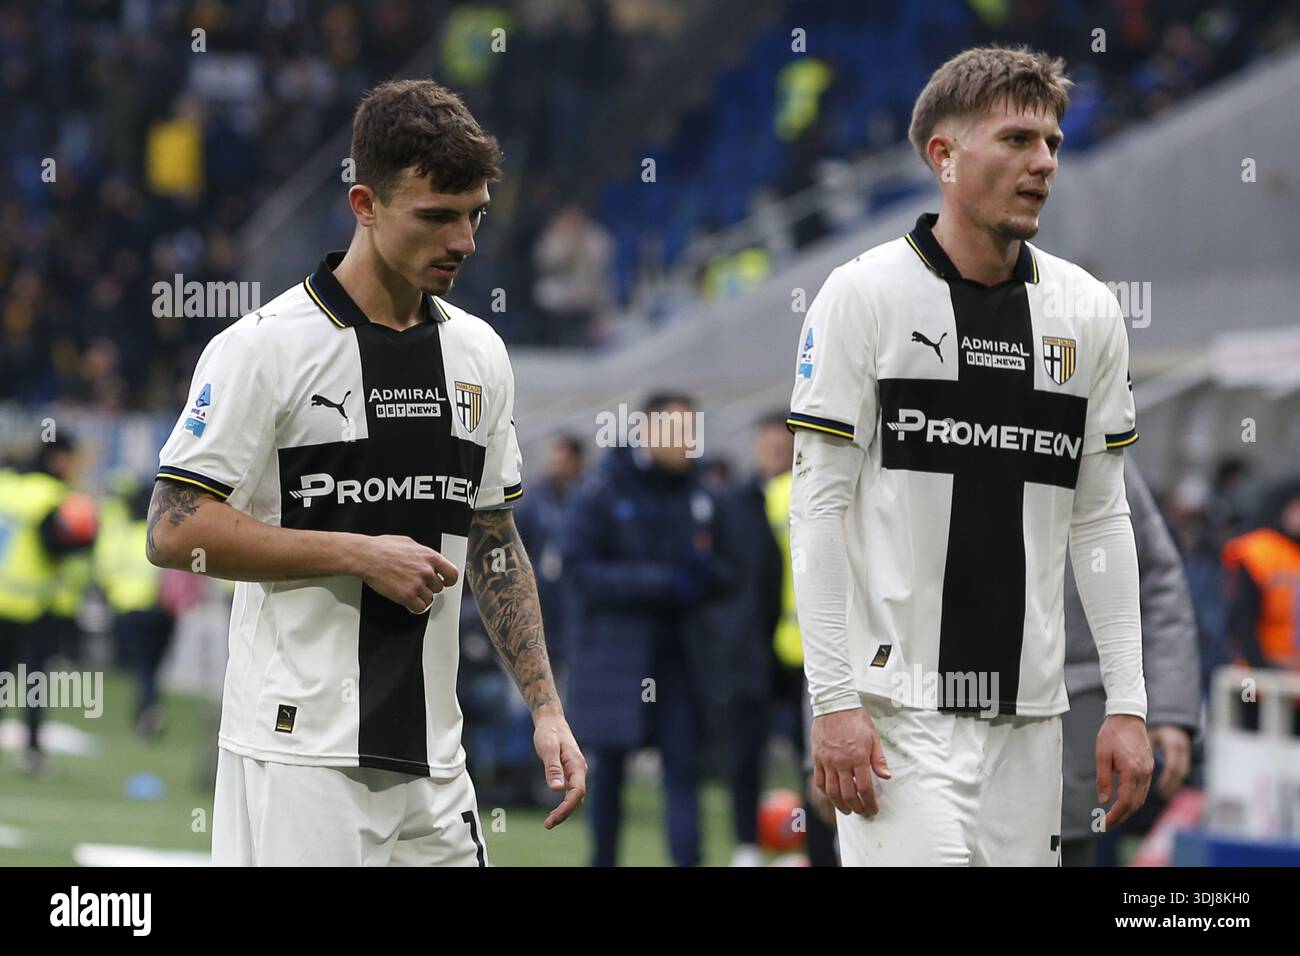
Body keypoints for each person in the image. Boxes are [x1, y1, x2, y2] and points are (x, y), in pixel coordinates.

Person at [146, 78, 585, 866]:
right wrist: (357, 552)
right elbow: (175, 531)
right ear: (364, 204)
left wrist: (546, 707)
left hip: (435, 759)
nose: (464, 241)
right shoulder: (264, 347)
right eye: (437, 216)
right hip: (300, 754)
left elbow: (492, 537)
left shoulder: (479, 353)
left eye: (475, 214)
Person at [787, 45, 1153, 866]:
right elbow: (816, 511)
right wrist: (835, 699)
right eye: (1018, 140)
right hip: (898, 713)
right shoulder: (862, 295)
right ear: (943, 156)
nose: (1044, 162)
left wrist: (1127, 702)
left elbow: (1101, 519)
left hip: (1031, 717)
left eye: (1053, 142)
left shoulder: (1088, 312)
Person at [563, 393, 731, 866]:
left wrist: (705, 578)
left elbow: (729, 566)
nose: (686, 444)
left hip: (680, 659)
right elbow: (580, 573)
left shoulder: (703, 493)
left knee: (683, 771)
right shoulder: (603, 489)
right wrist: (663, 583)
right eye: (676, 431)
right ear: (647, 431)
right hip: (615, 662)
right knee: (609, 776)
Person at [1060, 457, 1200, 866]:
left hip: (1080, 722)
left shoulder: (1091, 437)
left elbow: (1158, 581)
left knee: (1070, 849)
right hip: (945, 716)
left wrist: (1168, 710)